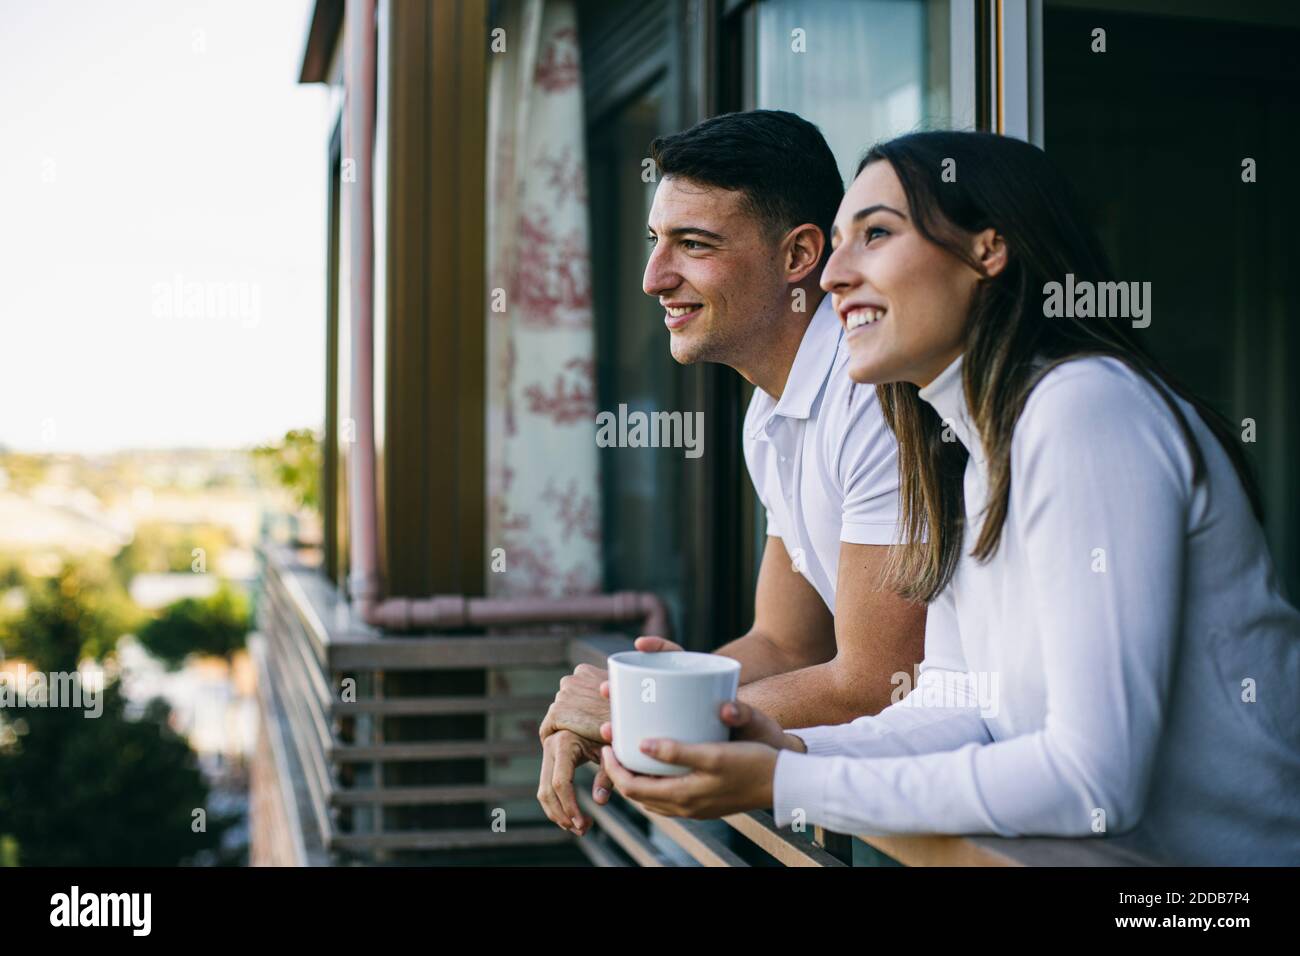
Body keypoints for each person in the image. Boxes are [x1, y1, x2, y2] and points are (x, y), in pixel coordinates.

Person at [596, 130, 1300, 865]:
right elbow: (955, 705)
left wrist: (791, 778)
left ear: (986, 252)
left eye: (874, 235)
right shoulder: (980, 457)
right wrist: (790, 747)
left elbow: (1094, 784)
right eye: (838, 243)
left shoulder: (1085, 408)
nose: (834, 275)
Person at [536, 111, 927, 836]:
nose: (655, 278)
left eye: (694, 245)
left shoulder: (872, 396)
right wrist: (655, 694)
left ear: (798, 255)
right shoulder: (767, 413)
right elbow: (786, 642)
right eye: (657, 242)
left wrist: (632, 720)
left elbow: (875, 684)